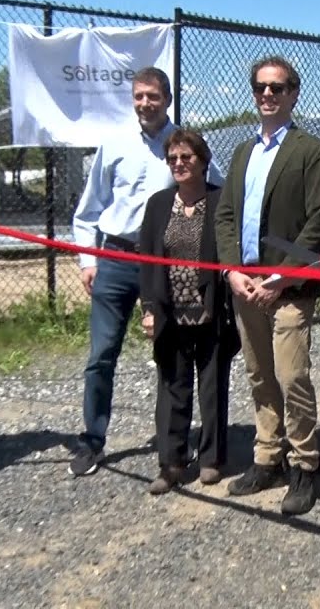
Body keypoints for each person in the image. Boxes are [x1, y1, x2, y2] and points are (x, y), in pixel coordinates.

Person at [69, 67, 223, 477]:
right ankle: (92, 439)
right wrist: (88, 260)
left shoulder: (184, 146)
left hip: (169, 266)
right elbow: (88, 209)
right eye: (138, 96)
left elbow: (217, 194)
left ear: (167, 99)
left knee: (173, 356)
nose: (145, 103)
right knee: (102, 354)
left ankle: (178, 446)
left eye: (153, 96)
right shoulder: (114, 145)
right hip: (116, 260)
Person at [214, 56, 320, 515]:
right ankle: (267, 457)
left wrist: (280, 276)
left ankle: (304, 465)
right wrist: (232, 271)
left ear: (293, 93)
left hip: (289, 288)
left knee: (292, 378)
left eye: (277, 87)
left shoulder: (311, 151)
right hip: (246, 286)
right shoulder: (242, 154)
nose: (267, 94)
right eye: (260, 87)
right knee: (259, 375)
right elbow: (225, 215)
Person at [138, 129, 240, 495]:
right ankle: (171, 462)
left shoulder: (220, 200)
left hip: (212, 311)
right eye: (173, 159)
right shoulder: (158, 204)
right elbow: (148, 261)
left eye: (187, 157)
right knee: (172, 388)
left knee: (212, 387)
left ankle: (211, 458)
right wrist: (149, 308)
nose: (179, 164)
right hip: (171, 311)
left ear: (203, 160)